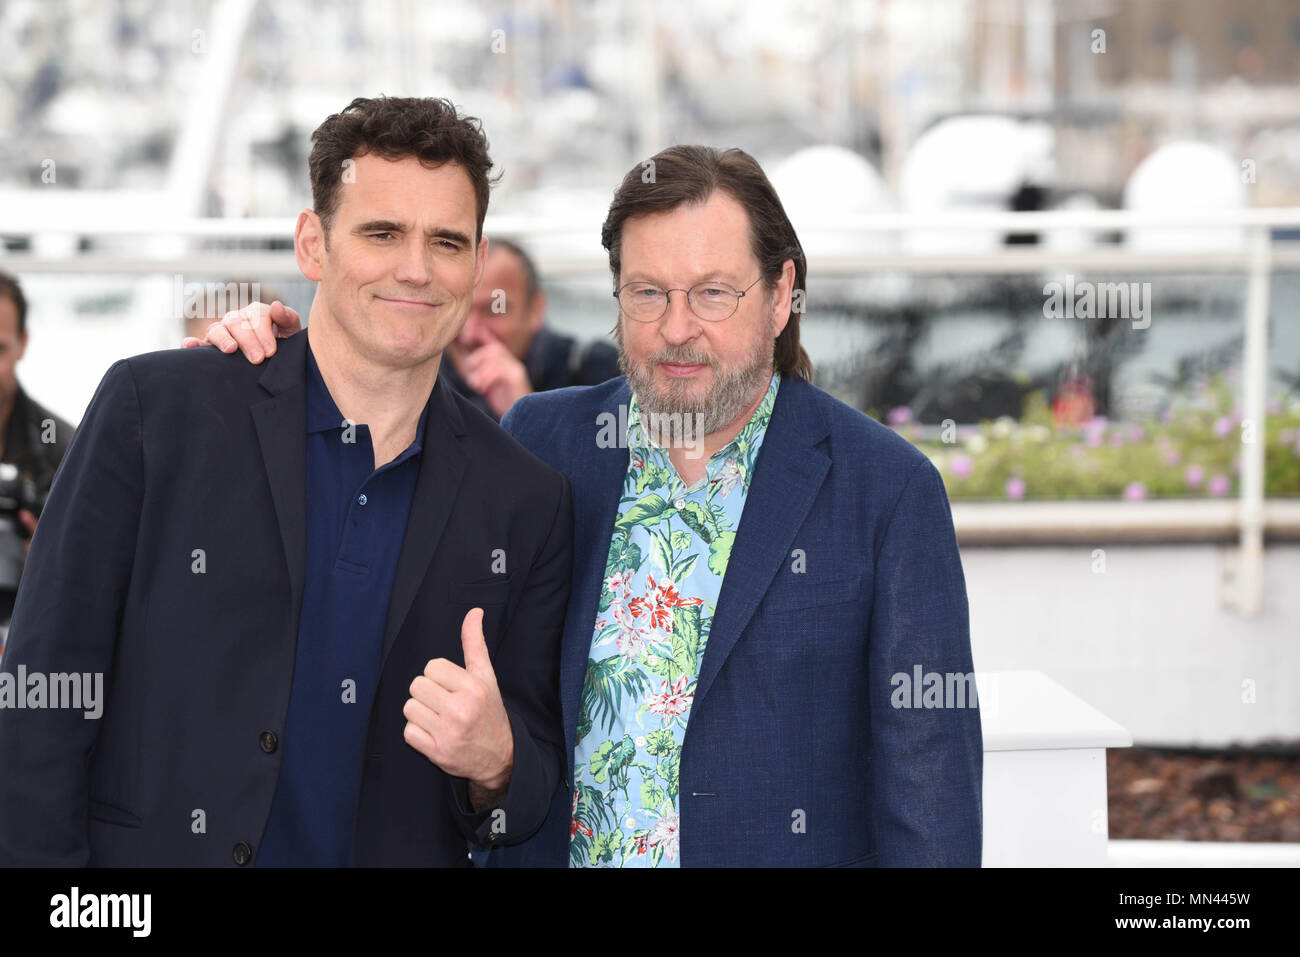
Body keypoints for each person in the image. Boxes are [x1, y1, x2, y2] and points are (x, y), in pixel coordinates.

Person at [192, 144, 983, 867]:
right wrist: (278, 357)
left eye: (712, 293)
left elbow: (930, 794)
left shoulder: (886, 490)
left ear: (781, 295)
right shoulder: (547, 440)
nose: (677, 329)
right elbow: (380, 433)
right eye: (646, 293)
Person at [0, 95, 573, 867]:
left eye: (446, 241)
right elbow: (39, 702)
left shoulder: (526, 502)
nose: (416, 267)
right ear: (314, 244)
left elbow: (527, 793)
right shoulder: (157, 412)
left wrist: (496, 763)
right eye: (381, 232)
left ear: (475, 264)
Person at [0, 271, 74, 635]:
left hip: (31, 634)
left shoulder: (64, 449)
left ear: (22, 343)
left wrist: (52, 560)